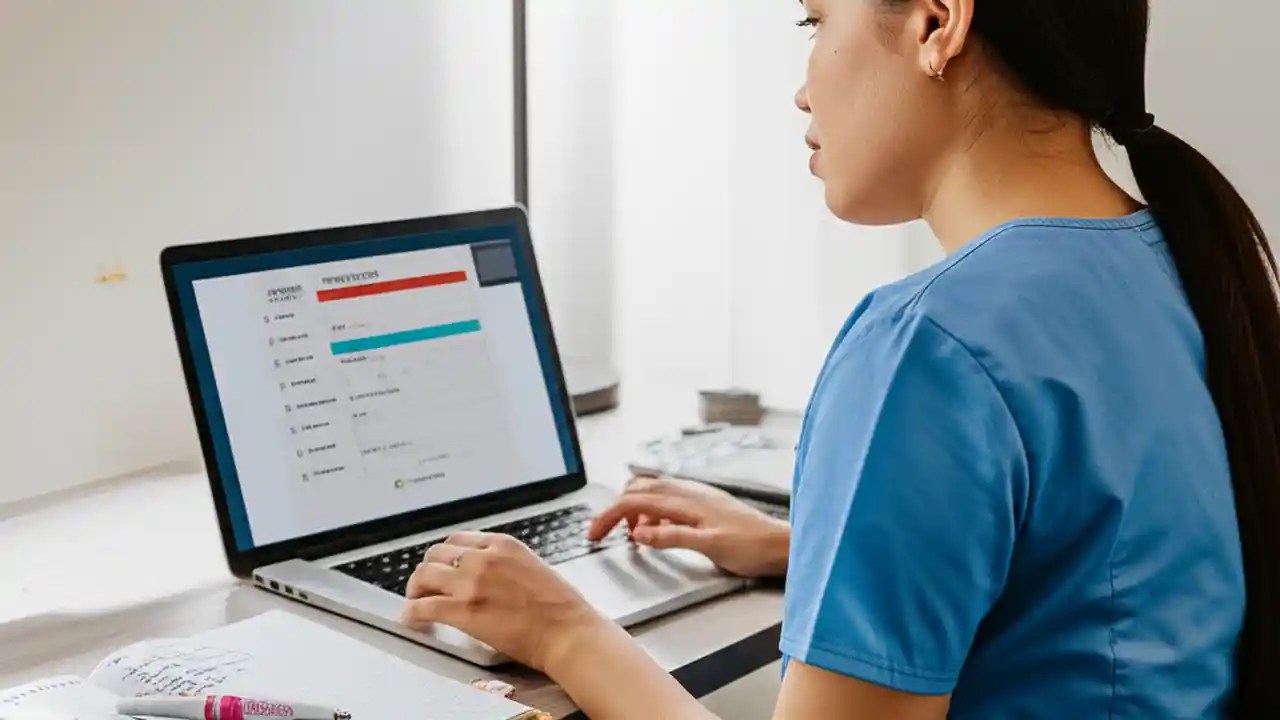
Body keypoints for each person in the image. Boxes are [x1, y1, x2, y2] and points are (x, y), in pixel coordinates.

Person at [401, 0, 1280, 717]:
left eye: (814, 21)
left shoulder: (930, 345)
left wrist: (563, 631)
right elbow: (1098, 581)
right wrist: (811, 550)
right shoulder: (1175, 262)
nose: (800, 90)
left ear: (938, 23)